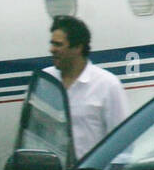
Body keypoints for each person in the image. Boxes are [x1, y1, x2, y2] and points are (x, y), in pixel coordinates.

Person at [44, 15, 131, 160]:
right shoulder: (45, 82)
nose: (52, 49)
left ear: (78, 47)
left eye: (58, 45)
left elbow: (123, 142)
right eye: (52, 44)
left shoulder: (107, 85)